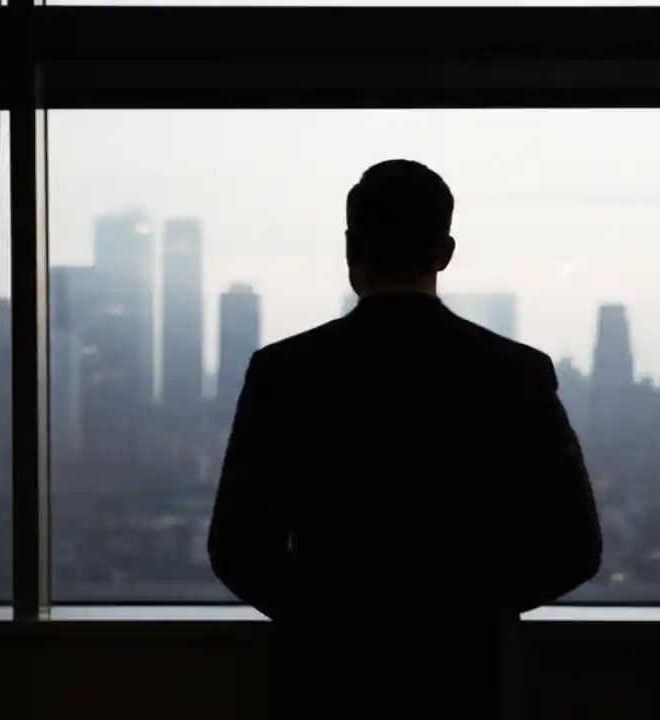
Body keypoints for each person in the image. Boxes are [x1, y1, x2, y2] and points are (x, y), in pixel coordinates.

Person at [208, 159, 601, 719]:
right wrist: (470, 612)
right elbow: (575, 548)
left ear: (351, 248)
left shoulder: (285, 370)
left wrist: (329, 618)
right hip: (465, 678)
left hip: (327, 679)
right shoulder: (515, 371)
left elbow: (237, 546)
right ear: (445, 252)